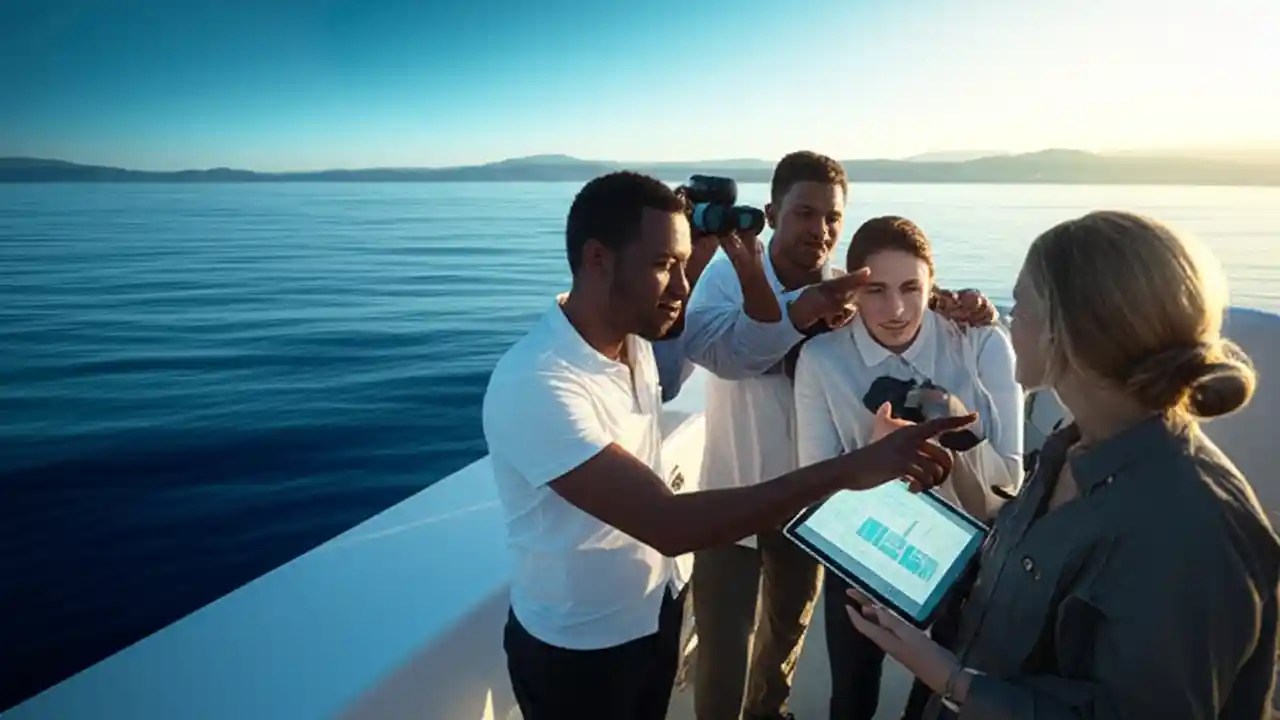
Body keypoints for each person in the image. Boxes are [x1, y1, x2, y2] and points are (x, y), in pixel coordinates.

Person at [481, 170, 977, 720]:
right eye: (663, 265)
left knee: (781, 636)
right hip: (580, 646)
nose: (682, 287)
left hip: (650, 612)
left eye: (683, 262)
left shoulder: (634, 345)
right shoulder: (538, 381)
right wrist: (851, 469)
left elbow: (754, 346)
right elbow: (669, 524)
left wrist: (952, 304)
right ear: (598, 259)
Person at [842, 210, 1280, 719]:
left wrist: (948, 677)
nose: (1006, 322)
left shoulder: (1196, 526)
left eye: (1021, 307)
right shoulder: (1065, 452)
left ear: (1070, 333)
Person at [681, 152, 999, 720]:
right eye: (805, 212)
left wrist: (968, 306)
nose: (820, 229)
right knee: (723, 651)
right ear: (773, 211)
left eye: (832, 216)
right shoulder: (726, 277)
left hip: (812, 503)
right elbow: (720, 355)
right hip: (732, 494)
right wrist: (794, 312)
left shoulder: (849, 287)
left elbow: (906, 303)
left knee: (784, 643)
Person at [793, 216, 1024, 720]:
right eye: (875, 290)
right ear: (852, 289)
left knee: (941, 699)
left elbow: (1009, 483)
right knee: (851, 692)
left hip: (965, 550)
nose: (895, 310)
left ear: (933, 285)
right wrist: (873, 462)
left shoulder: (981, 344)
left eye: (910, 288)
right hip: (864, 545)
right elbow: (813, 485)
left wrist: (956, 426)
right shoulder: (823, 359)